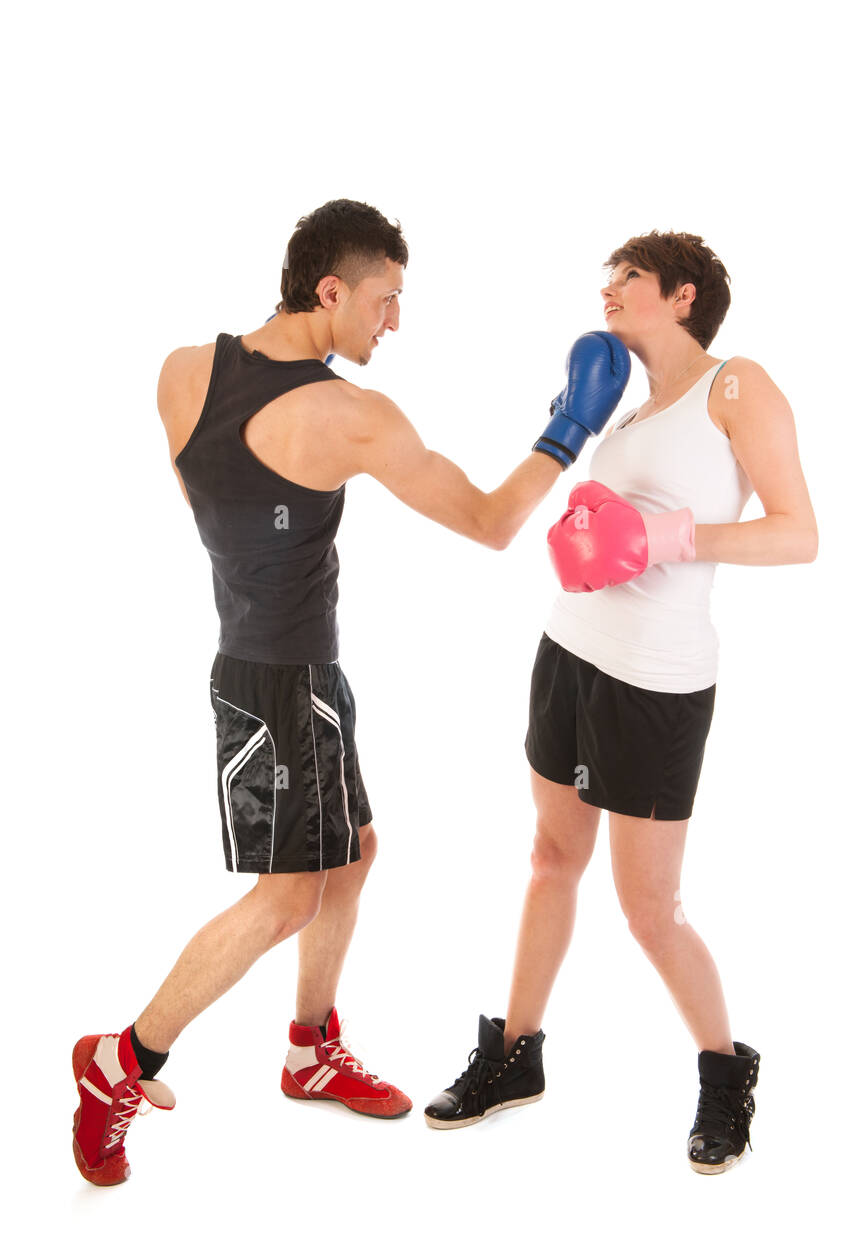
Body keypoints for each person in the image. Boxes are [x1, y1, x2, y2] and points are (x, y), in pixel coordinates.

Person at [71, 198, 631, 1185]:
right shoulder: (349, 418)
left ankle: (305, 1048)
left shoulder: (181, 369)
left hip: (269, 666)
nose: (394, 322)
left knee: (355, 850)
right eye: (385, 300)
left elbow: (215, 510)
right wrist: (568, 427)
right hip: (281, 684)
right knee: (286, 896)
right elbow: (494, 522)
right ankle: (121, 1061)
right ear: (330, 291)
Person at [424, 230, 819, 1175]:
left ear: (683, 296)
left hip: (659, 679)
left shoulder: (736, 387)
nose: (607, 290)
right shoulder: (626, 414)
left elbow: (800, 534)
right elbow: (606, 537)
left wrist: (668, 536)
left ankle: (726, 1075)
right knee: (550, 855)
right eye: (606, 276)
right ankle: (514, 1055)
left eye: (629, 277)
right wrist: (587, 536)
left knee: (650, 909)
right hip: (570, 650)